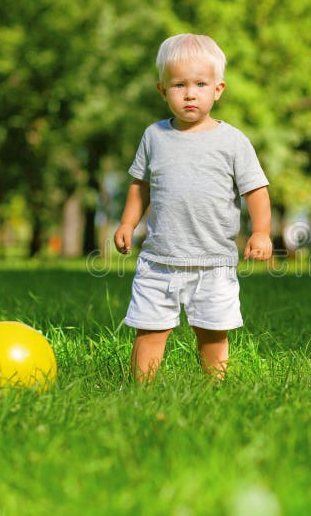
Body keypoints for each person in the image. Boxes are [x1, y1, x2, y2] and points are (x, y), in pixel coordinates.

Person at [113, 33, 273, 382]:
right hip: (160, 261)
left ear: (218, 89)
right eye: (179, 85)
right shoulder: (154, 137)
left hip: (213, 261)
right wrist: (128, 223)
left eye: (200, 84)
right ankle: (141, 389)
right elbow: (140, 186)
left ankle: (214, 386)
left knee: (212, 330)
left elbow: (256, 190)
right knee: (149, 328)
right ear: (162, 90)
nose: (189, 93)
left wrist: (261, 231)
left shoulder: (232, 141)